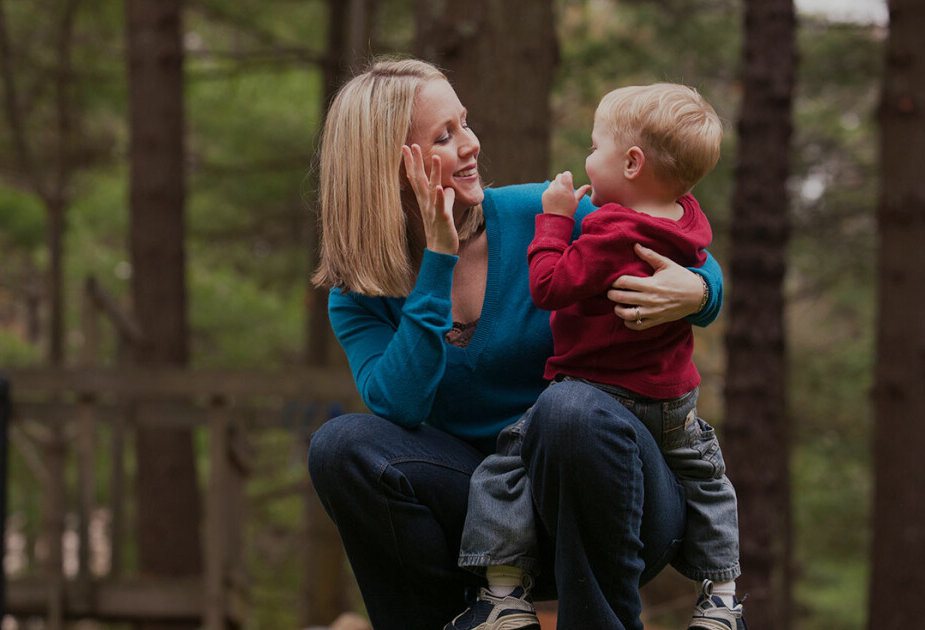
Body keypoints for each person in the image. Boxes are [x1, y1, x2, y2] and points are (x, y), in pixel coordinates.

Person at [306, 58, 723, 630]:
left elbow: (674, 239)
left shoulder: (544, 215)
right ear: (390, 166)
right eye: (444, 136)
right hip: (491, 522)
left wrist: (701, 292)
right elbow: (400, 405)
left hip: (619, 503)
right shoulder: (360, 295)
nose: (471, 144)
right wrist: (437, 263)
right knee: (341, 446)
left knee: (569, 408)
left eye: (465, 122)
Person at [450, 83, 745, 630]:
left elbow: (550, 284)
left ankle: (503, 592)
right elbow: (706, 264)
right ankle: (721, 601)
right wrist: (701, 287)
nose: (587, 158)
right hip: (673, 400)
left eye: (594, 147)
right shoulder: (687, 220)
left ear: (631, 163)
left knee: (505, 467)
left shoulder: (610, 231)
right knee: (707, 478)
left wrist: (556, 221)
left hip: (603, 397)